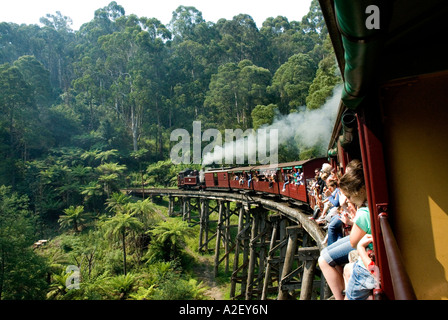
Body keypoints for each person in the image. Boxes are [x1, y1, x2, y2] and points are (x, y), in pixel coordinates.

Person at [317, 160, 370, 300]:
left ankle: (340, 297)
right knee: (325, 256)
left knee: (324, 259)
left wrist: (352, 220)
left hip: (363, 247)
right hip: (360, 238)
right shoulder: (364, 207)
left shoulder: (364, 210)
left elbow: (353, 241)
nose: (349, 200)